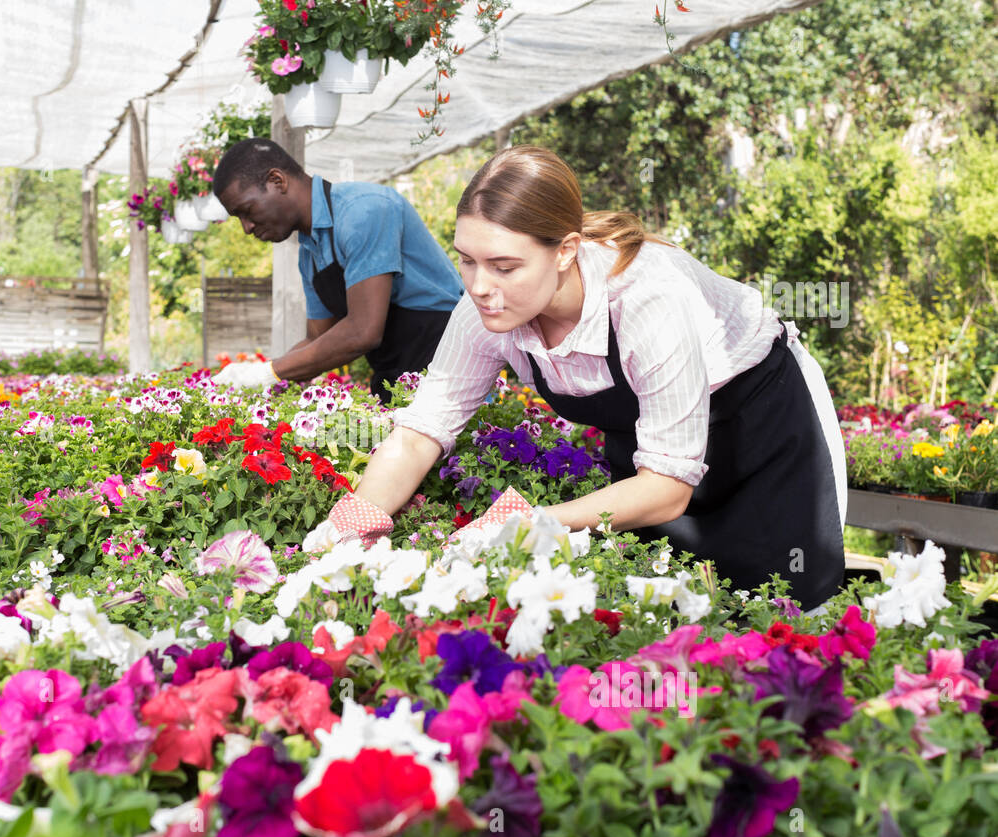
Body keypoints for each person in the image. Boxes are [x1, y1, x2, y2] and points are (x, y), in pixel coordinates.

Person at [309, 145, 848, 612]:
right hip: (654, 455)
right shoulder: (484, 311)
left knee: (788, 615)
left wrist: (527, 524)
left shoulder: (643, 299)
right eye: (466, 261)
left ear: (564, 250)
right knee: (676, 615)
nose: (477, 286)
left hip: (763, 430)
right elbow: (419, 433)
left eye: (504, 266)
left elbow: (665, 490)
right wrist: (351, 521)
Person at [209, 138, 464, 402]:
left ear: (277, 180)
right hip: (395, 375)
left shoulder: (363, 211)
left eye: (246, 211)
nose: (246, 227)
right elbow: (317, 338)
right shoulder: (310, 254)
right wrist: (254, 379)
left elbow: (362, 331)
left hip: (445, 363)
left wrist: (269, 372)